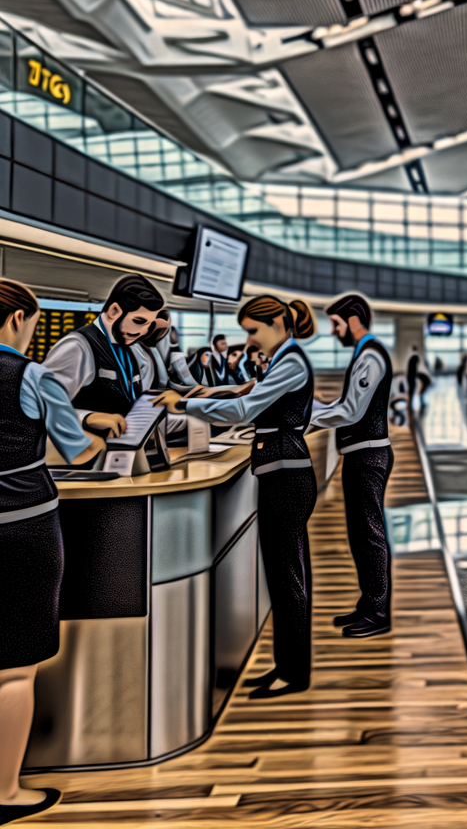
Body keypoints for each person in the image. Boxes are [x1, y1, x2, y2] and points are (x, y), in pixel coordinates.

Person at [157, 295, 318, 698]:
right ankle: (288, 665)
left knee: (288, 578)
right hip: (282, 474)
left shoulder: (291, 362)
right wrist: (213, 395)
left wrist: (186, 403)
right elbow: (249, 395)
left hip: (287, 477)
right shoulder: (284, 359)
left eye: (252, 330)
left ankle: (293, 673)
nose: (249, 340)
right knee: (285, 576)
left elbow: (246, 409)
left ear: (277, 323)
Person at [0, 280, 103, 825]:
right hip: (23, 529)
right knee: (13, 671)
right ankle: (6, 792)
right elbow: (77, 450)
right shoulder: (32, 375)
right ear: (17, 319)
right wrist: (100, 440)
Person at [308, 293, 394, 638]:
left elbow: (351, 412)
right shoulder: (364, 353)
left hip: (368, 456)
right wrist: (318, 408)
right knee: (359, 534)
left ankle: (379, 611)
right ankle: (369, 602)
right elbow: (348, 404)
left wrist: (307, 419)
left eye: (336, 323)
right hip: (361, 454)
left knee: (369, 534)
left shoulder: (370, 356)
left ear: (353, 320)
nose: (333, 331)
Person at [44, 274, 164, 443]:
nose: (143, 331)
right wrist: (87, 418)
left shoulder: (137, 351)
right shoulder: (78, 346)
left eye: (149, 324)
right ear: (114, 311)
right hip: (88, 451)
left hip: (127, 446)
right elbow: (39, 405)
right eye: (139, 321)